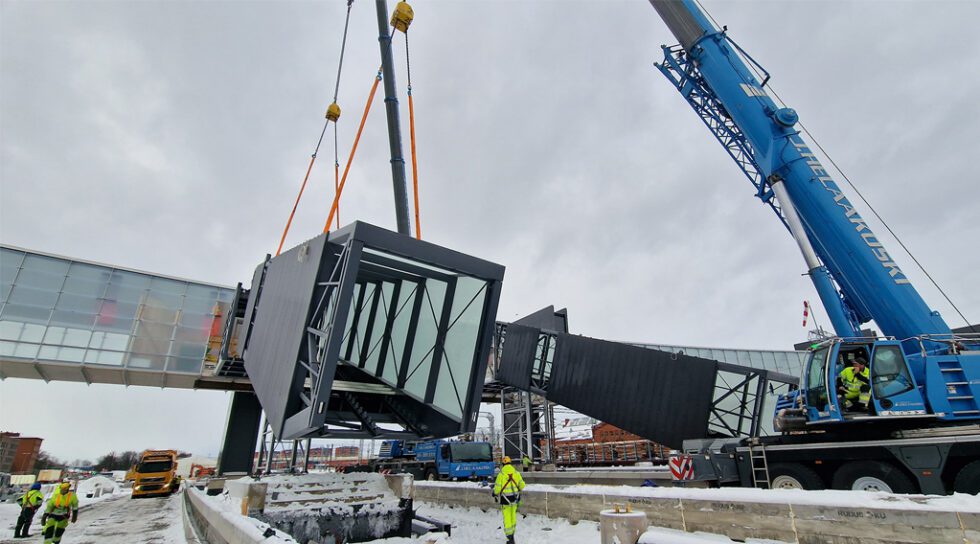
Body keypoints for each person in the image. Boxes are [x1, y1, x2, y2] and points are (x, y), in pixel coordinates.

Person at [492, 456, 526, 544]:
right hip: (515, 499)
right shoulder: (516, 473)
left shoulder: (501, 475)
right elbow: (522, 486)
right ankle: (512, 534)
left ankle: (510, 538)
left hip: (505, 500)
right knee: (513, 516)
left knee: (507, 518)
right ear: (510, 463)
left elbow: (497, 489)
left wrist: (494, 493)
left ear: (503, 464)